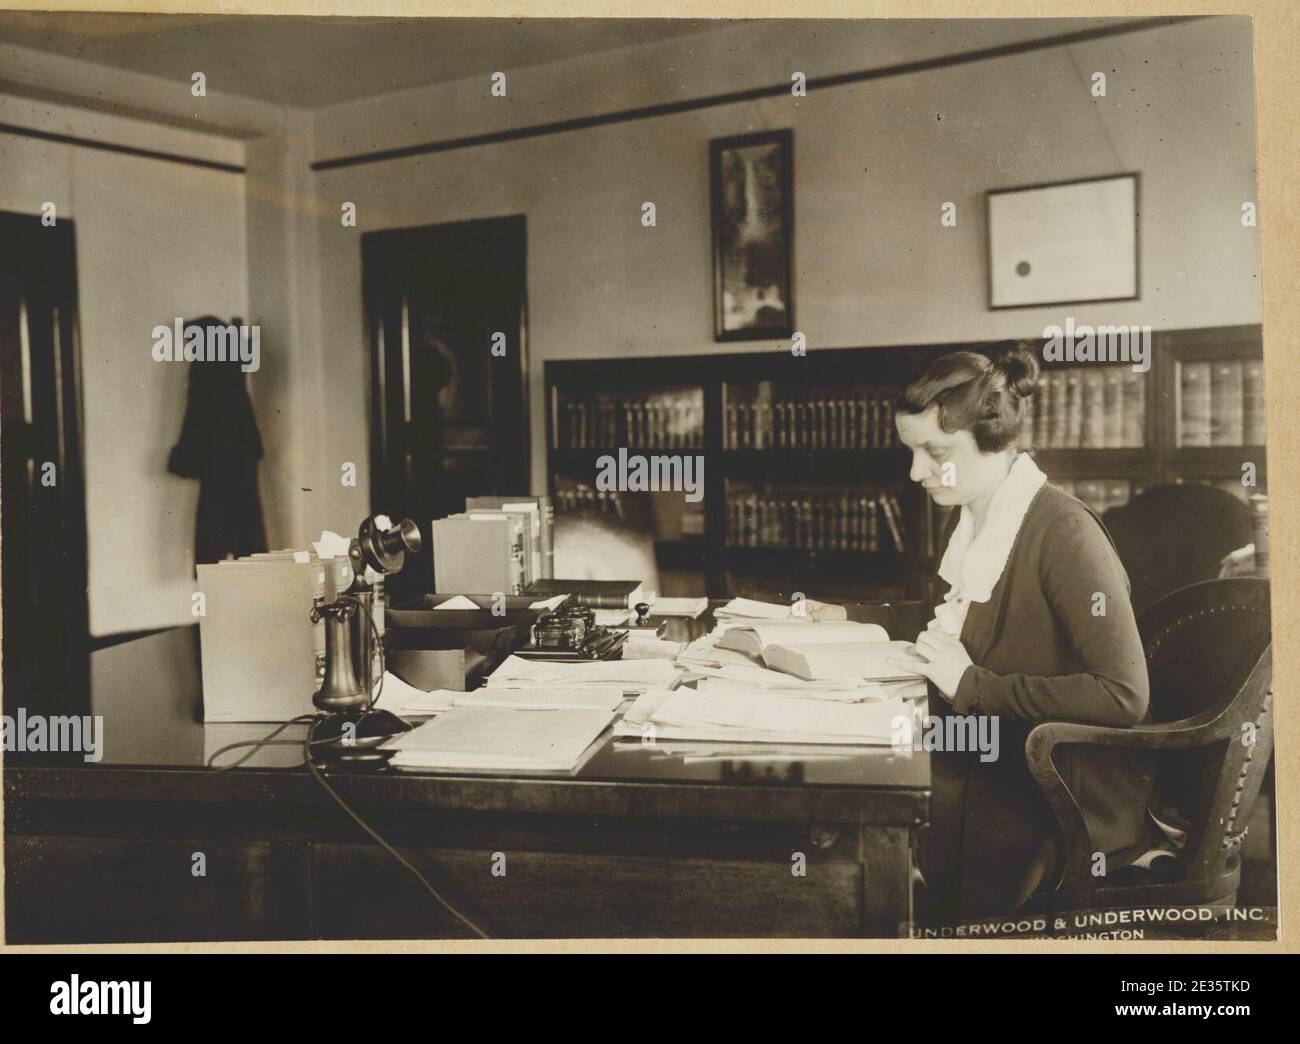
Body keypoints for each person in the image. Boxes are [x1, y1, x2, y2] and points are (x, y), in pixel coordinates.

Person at [800, 345, 1153, 922]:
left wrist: (972, 685)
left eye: (934, 452)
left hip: (1047, 796)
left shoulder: (1063, 531)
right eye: (912, 451)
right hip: (987, 756)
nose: (916, 472)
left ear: (992, 440)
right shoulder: (976, 513)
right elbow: (961, 619)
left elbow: (1124, 696)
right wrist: (856, 616)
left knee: (853, 810)